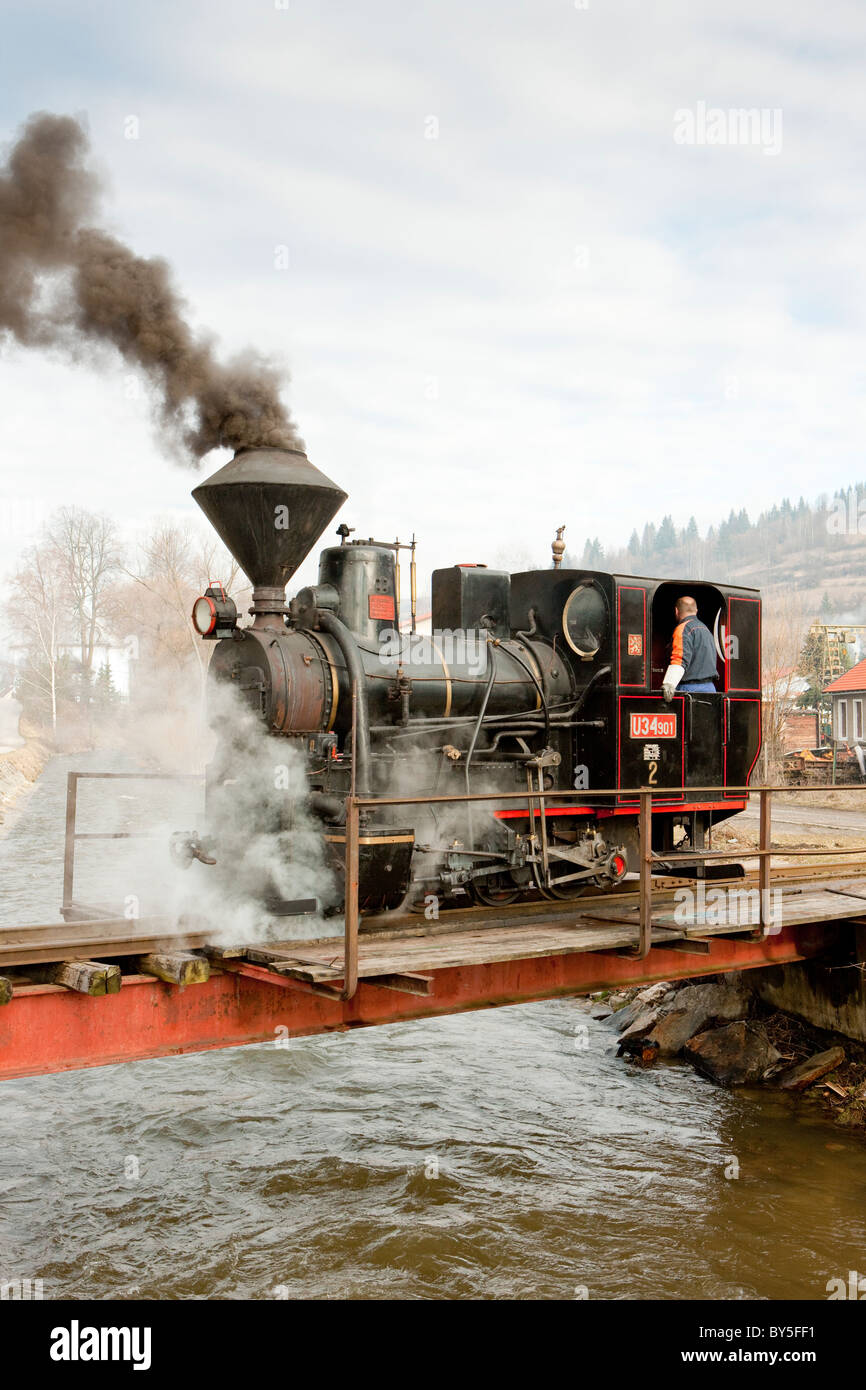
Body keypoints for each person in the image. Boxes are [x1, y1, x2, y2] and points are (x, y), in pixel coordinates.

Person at [661, 596, 718, 701]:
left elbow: (679, 658)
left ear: (676, 611)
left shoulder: (683, 629)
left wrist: (669, 684)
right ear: (696, 611)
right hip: (710, 688)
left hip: (690, 690)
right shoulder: (705, 629)